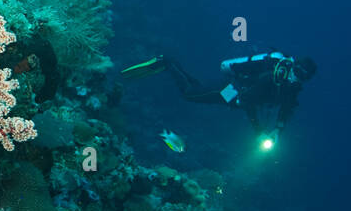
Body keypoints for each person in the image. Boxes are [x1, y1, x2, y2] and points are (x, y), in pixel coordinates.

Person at [135, 51, 317, 147]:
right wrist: (259, 131)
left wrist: (278, 130)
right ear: (293, 66)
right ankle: (167, 62)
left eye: (303, 78)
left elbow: (287, 108)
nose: (297, 78)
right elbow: (249, 102)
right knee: (189, 94)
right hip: (230, 91)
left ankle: (173, 65)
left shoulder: (291, 89)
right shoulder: (270, 77)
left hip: (238, 97)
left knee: (199, 90)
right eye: (297, 73)